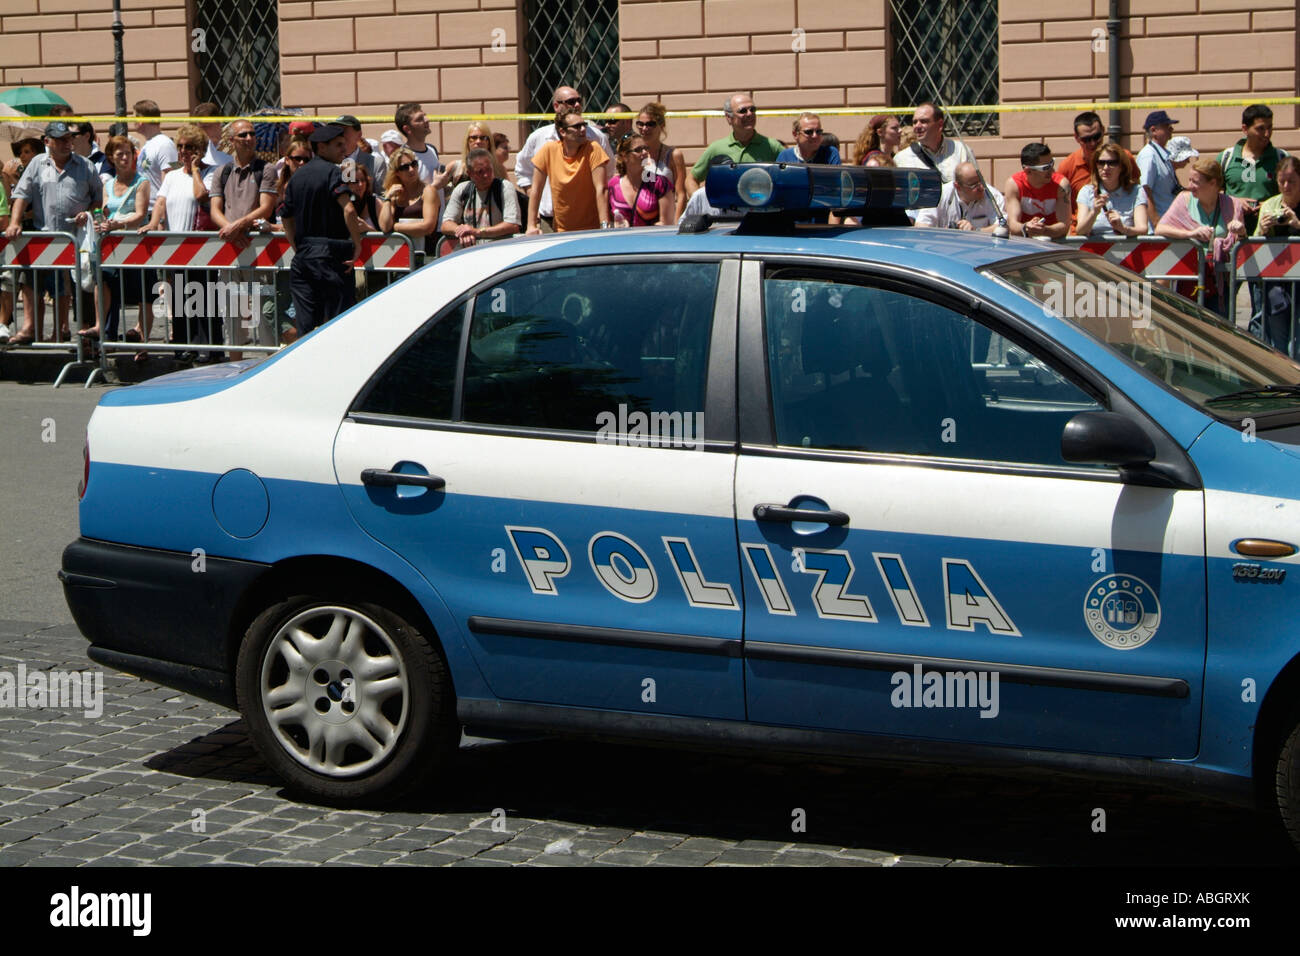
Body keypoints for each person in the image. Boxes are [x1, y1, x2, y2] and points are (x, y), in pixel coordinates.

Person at [3, 121, 103, 346]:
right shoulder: (38, 164)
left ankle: (60, 330)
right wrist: (15, 222)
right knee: (31, 281)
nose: (66, 143)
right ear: (47, 142)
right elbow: (21, 195)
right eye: (60, 140)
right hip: (42, 235)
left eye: (68, 139)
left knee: (63, 286)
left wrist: (88, 214)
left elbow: (98, 198)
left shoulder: (85, 166)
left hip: (73, 238)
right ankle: (30, 328)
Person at [138, 124, 219, 358]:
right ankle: (184, 346)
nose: (183, 151)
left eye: (189, 147)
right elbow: (161, 201)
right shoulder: (171, 176)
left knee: (203, 298)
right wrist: (153, 223)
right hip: (177, 247)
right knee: (180, 299)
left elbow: (201, 195)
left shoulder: (211, 172)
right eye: (180, 147)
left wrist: (194, 170)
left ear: (200, 150)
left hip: (202, 245)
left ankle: (208, 347)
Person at [279, 124, 366, 335]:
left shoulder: (296, 178)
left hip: (305, 256)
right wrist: (357, 245)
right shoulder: (334, 174)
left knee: (305, 327)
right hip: (333, 256)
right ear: (321, 147)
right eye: (337, 145)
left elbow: (286, 217)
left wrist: (297, 246)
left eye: (344, 145)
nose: (343, 150)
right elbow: (349, 210)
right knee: (339, 324)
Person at [210, 118, 278, 357]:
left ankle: (272, 362)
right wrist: (231, 229)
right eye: (243, 135)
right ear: (232, 141)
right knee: (231, 311)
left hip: (258, 250)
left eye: (251, 134)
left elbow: (266, 208)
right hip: (231, 250)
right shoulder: (223, 171)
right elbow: (215, 209)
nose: (249, 138)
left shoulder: (266, 169)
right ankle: (234, 364)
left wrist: (237, 226)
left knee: (264, 310)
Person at [1155, 157, 1246, 319]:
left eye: (1195, 182)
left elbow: (1240, 243)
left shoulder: (1232, 205)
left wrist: (1241, 230)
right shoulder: (1184, 200)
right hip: (1190, 278)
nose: (1190, 186)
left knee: (1218, 328)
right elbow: (1160, 228)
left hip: (1220, 283)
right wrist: (1191, 234)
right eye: (1189, 180)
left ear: (1213, 183)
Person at [81, 135, 150, 345]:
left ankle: (143, 337)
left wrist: (117, 224)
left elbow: (140, 214)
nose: (125, 158)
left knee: (142, 290)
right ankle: (100, 326)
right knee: (103, 281)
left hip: (136, 243)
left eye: (128, 153)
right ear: (111, 158)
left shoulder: (142, 182)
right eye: (120, 154)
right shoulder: (108, 184)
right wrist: (98, 222)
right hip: (112, 244)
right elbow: (105, 211)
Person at [515, 85, 612, 232]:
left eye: (579, 100)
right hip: (552, 222)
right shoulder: (543, 143)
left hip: (590, 225)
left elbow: (603, 185)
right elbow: (532, 184)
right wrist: (532, 224)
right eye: (571, 101)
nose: (583, 129)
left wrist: (605, 225)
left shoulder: (595, 143)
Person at [1056, 111, 1139, 232]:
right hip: (1082, 235)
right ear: (1076, 138)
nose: (1093, 143)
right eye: (1086, 139)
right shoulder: (1067, 166)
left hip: (1121, 234)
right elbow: (1060, 205)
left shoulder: (1124, 158)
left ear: (1104, 131)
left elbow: (1137, 191)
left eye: (1096, 137)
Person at [1251, 155, 1300, 352]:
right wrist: (1262, 230)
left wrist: (1297, 224)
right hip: (1276, 286)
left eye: (1292, 182)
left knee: (1296, 346)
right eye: (1282, 181)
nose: (1286, 186)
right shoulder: (1270, 206)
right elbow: (1252, 246)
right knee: (1280, 345)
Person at [688, 93, 783, 193]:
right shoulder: (716, 148)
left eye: (752, 109)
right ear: (729, 117)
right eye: (743, 111)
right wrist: (703, 204)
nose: (749, 114)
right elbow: (691, 180)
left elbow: (791, 176)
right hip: (727, 207)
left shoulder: (773, 146)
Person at [1218, 104, 1289, 235]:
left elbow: (1293, 193)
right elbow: (1209, 192)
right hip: (1232, 236)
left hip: (1272, 239)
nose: (1267, 134)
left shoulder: (1282, 158)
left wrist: (1270, 205)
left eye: (1270, 128)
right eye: (1260, 129)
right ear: (1245, 129)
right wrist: (1233, 202)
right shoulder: (1226, 157)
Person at [439, 148, 521, 250]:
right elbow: (446, 224)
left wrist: (477, 232)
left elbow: (512, 225)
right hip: (471, 252)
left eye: (489, 170)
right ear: (469, 173)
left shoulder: (504, 187)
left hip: (501, 251)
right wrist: (463, 231)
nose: (486, 175)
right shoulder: (462, 189)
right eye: (480, 172)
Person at [377, 146, 442, 259]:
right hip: (401, 259)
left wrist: (396, 227)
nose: (411, 169)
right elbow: (385, 226)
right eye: (405, 167)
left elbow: (428, 227)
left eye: (414, 164)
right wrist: (388, 199)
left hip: (427, 258)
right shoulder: (395, 194)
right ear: (397, 172)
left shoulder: (428, 191)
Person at [1075, 143, 1150, 237]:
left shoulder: (1136, 191)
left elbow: (1143, 229)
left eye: (1112, 163)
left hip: (1128, 250)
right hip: (1094, 249)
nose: (1106, 167)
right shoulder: (1087, 191)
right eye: (1101, 163)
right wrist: (1094, 213)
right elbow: (1080, 231)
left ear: (1122, 167)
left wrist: (1123, 229)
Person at [893, 102, 976, 183]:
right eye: (915, 122)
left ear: (940, 125)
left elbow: (976, 186)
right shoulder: (902, 159)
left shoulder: (962, 151)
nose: (917, 126)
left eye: (923, 121)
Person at [633, 102, 688, 220]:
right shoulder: (633, 155)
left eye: (650, 124)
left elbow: (681, 194)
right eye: (640, 124)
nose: (644, 128)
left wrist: (675, 225)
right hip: (640, 219)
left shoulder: (673, 155)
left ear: (661, 125)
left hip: (666, 218)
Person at [1003, 143, 1069, 240]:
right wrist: (1026, 227)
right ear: (1028, 171)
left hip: (1053, 245)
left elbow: (1064, 226)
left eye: (1052, 163)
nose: (1052, 170)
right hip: (1025, 244)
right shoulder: (1014, 185)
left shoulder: (1061, 185)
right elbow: (1012, 225)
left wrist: (1044, 230)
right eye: (1045, 167)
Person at [916, 162, 1005, 232]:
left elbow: (1003, 226)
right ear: (957, 186)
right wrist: (943, 232)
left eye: (981, 181)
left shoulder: (992, 195)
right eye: (974, 185)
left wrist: (976, 231)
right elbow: (921, 227)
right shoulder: (939, 195)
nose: (981, 187)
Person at [609, 135, 673, 227]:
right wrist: (616, 225)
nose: (645, 152)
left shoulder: (660, 183)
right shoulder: (613, 185)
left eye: (646, 148)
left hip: (653, 240)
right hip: (622, 240)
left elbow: (667, 223)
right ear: (624, 156)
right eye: (638, 150)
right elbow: (608, 222)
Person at [1136, 110, 1181, 223]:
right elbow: (1145, 190)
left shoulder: (1161, 154)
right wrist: (1156, 221)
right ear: (1154, 130)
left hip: (1166, 220)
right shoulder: (1149, 155)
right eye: (1167, 126)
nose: (1171, 130)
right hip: (1156, 226)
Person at [133, 99, 177, 216]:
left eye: (134, 117)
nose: (132, 121)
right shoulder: (147, 144)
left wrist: (161, 217)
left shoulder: (164, 144)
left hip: (156, 212)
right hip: (145, 211)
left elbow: (169, 180)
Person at [442, 123, 508, 190]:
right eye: (473, 138)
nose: (478, 141)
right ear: (467, 142)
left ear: (489, 143)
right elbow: (440, 192)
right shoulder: (455, 167)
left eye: (483, 138)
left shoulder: (499, 169)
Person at [394, 103, 442, 186]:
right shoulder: (402, 157)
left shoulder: (432, 149)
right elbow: (406, 195)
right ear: (407, 129)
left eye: (425, 116)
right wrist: (435, 187)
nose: (427, 120)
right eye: (420, 119)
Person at [193, 102, 232, 171]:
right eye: (199, 127)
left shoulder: (231, 144)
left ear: (218, 122)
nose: (202, 131)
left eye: (206, 126)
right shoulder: (202, 146)